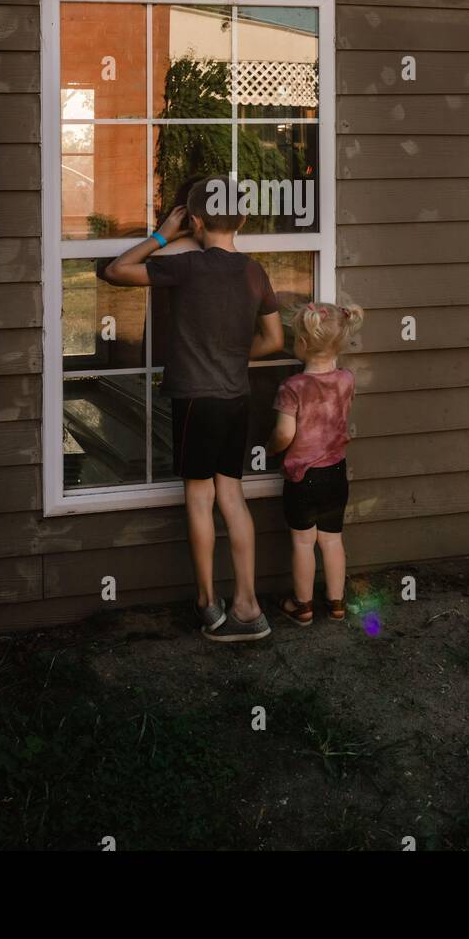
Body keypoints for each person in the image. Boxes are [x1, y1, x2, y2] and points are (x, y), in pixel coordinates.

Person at [101, 176, 284, 642]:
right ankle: (250, 605)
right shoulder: (254, 272)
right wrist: (232, 355)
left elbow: (116, 270)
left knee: (200, 501)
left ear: (197, 222)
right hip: (234, 398)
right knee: (232, 497)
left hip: (196, 402)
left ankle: (207, 604)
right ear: (241, 219)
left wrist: (164, 234)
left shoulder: (187, 266)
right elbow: (275, 340)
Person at [266, 301, 364, 626]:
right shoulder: (347, 379)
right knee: (333, 538)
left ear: (303, 345)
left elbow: (284, 433)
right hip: (336, 474)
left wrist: (269, 449)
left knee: (303, 542)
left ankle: (302, 605)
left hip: (303, 477)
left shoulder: (293, 388)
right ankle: (336, 603)